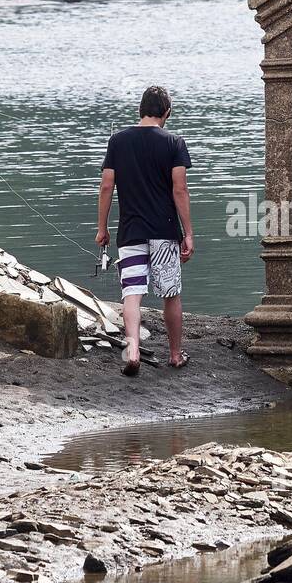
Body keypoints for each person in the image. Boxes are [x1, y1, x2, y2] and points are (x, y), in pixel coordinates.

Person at [96, 85, 194, 376]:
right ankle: (176, 355)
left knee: (132, 294)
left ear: (140, 110)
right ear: (167, 112)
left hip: (130, 232)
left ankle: (133, 350)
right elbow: (180, 189)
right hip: (164, 231)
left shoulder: (118, 142)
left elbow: (105, 187)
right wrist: (188, 232)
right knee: (170, 294)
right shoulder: (174, 142)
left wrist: (102, 228)